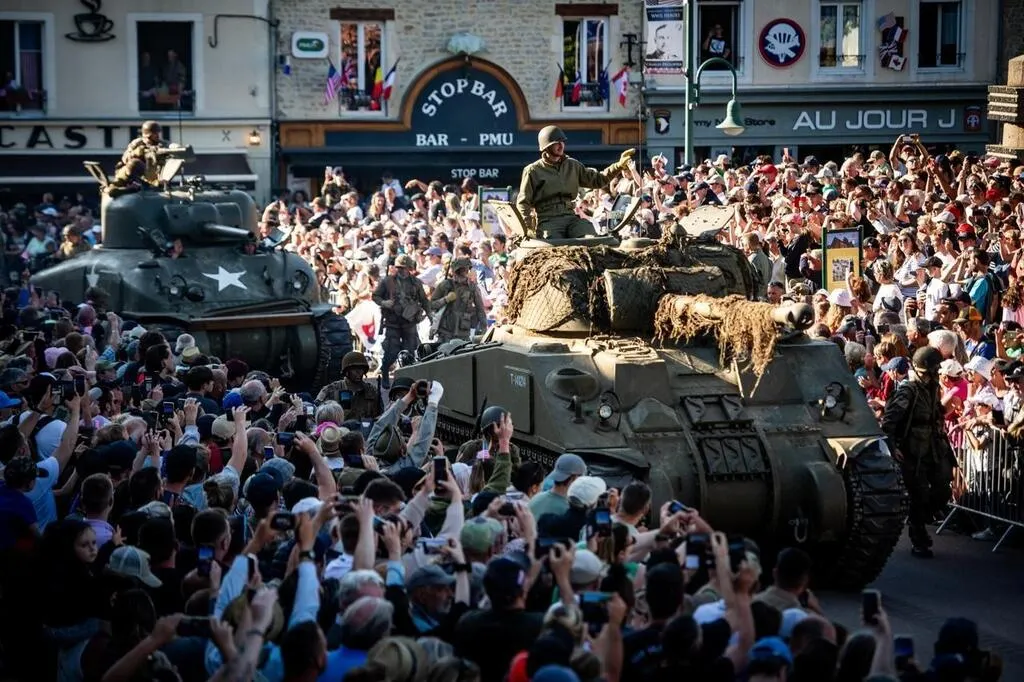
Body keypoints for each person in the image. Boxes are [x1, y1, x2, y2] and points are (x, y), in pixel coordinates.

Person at [881, 346, 956, 558]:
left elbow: (935, 412)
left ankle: (923, 518)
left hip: (933, 446)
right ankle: (920, 539)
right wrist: (893, 447)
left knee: (943, 489)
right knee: (918, 494)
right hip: (912, 450)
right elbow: (889, 421)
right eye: (931, 370)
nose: (934, 374)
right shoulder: (909, 390)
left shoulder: (933, 387)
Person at [516, 126, 635, 240]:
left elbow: (598, 179)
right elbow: (523, 203)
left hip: (571, 217)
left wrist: (618, 166)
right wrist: (527, 230)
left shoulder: (572, 165)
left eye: (562, 141)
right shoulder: (533, 171)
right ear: (546, 147)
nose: (561, 145)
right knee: (553, 247)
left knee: (590, 239)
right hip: (548, 220)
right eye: (556, 143)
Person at [373, 254, 430, 387]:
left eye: (404, 268)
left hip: (409, 322)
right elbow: (375, 296)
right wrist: (384, 302)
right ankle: (385, 372)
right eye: (399, 268)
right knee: (391, 352)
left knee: (409, 352)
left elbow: (424, 300)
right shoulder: (388, 281)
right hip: (393, 322)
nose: (401, 271)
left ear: (409, 268)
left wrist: (430, 315)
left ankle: (407, 379)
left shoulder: (415, 282)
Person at [430, 258, 488, 342]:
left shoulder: (473, 288)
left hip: (463, 332)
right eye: (459, 271)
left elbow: (480, 310)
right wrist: (445, 299)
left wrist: (484, 328)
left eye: (464, 270)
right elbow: (431, 305)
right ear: (453, 271)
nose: (462, 273)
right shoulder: (445, 285)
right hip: (445, 332)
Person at [315, 351, 382, 422]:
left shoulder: (372, 391)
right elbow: (317, 412)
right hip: (338, 431)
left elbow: (380, 417)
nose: (359, 372)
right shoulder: (331, 390)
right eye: (354, 369)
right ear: (346, 371)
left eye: (361, 369)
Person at [111, 121, 166, 190]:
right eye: (155, 133)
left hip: (154, 174)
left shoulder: (161, 144)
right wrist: (136, 152)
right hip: (138, 174)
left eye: (158, 133)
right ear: (148, 134)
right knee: (133, 163)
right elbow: (125, 158)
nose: (158, 135)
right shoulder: (137, 143)